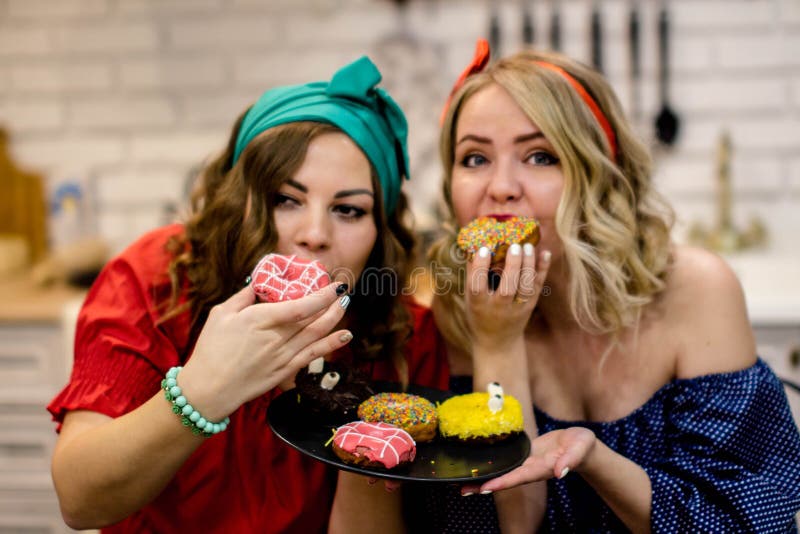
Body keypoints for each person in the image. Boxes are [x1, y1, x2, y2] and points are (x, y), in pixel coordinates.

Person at [334, 39, 800, 533]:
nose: (501, 186)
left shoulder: (696, 290)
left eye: (539, 156)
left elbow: (744, 520)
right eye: (474, 159)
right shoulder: (443, 316)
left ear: (597, 174)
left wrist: (596, 461)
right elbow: (514, 526)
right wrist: (498, 342)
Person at [46, 56, 449, 533]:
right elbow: (80, 502)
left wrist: (356, 437)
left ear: (379, 231)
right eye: (285, 199)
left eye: (348, 209)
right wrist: (205, 390)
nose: (314, 233)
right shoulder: (157, 280)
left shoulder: (403, 335)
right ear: (240, 203)